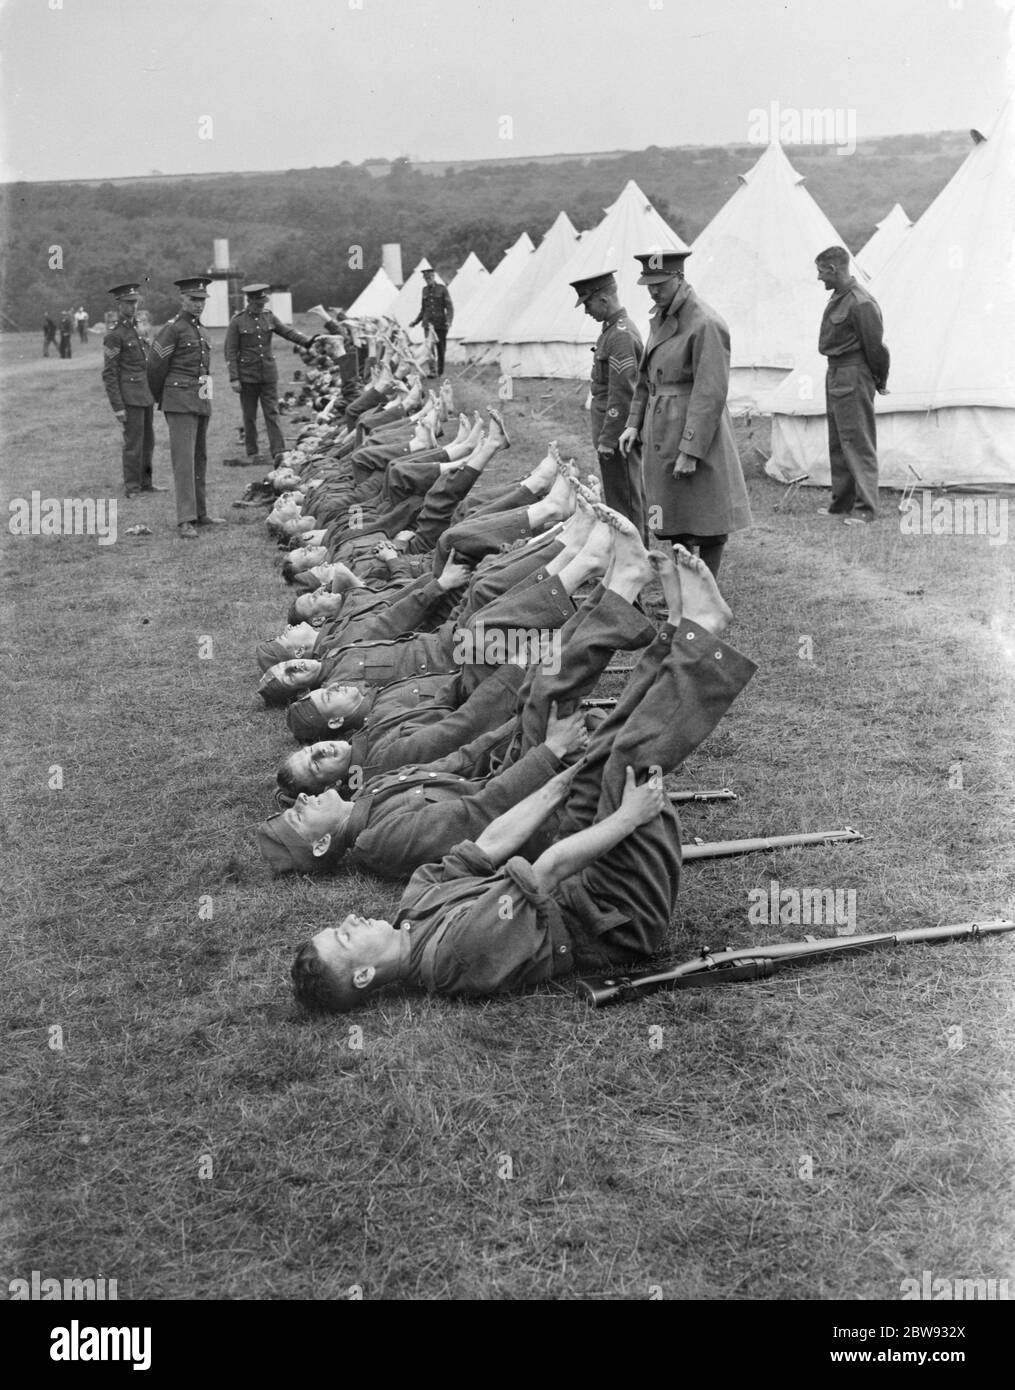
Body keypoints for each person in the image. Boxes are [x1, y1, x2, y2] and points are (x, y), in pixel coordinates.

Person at [290, 545, 757, 1011]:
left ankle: (679, 631)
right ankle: (701, 636)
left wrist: (565, 776)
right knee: (628, 762)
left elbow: (490, 841)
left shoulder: (413, 909)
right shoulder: (453, 956)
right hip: (614, 912)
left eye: (336, 926)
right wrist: (625, 818)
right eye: (345, 938)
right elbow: (546, 870)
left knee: (601, 752)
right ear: (365, 973)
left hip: (577, 880)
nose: (348, 920)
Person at [618, 251, 752, 578]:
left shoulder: (705, 322)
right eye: (648, 284)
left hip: (696, 428)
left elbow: (710, 392)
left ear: (679, 278)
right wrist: (634, 423)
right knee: (671, 512)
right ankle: (682, 582)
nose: (653, 291)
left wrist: (691, 449)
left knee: (707, 515)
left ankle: (705, 590)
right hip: (661, 426)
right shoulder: (661, 318)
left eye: (660, 284)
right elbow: (646, 378)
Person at [813, 246, 891, 526]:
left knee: (858, 441)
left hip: (853, 374)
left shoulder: (861, 302)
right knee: (838, 440)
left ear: (833, 269)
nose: (819, 278)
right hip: (835, 372)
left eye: (821, 271)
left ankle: (865, 509)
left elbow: (876, 347)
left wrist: (879, 380)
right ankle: (841, 504)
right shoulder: (839, 297)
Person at [148, 276, 227, 539]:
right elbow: (155, 367)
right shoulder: (173, 329)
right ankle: (185, 519)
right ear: (182, 299)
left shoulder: (202, 330)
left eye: (202, 300)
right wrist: (166, 399)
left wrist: (207, 401)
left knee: (199, 459)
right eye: (193, 299)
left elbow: (206, 370)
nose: (198, 305)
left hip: (199, 401)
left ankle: (200, 512)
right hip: (179, 402)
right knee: (184, 462)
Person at [571, 269, 646, 539]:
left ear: (603, 299)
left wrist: (609, 438)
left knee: (625, 496)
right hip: (610, 428)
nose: (586, 311)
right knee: (620, 493)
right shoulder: (611, 331)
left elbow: (623, 393)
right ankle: (629, 551)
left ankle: (635, 554)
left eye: (587, 303)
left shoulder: (621, 336)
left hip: (617, 433)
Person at [223, 282, 318, 466]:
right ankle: (252, 451)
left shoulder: (269, 317)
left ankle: (278, 450)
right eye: (259, 302)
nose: (262, 305)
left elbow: (288, 332)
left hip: (267, 374)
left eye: (263, 302)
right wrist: (234, 377)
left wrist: (308, 342)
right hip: (247, 376)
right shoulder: (237, 321)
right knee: (249, 415)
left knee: (272, 412)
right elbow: (230, 351)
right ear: (249, 301)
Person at [101, 283, 165, 498]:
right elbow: (109, 373)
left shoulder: (137, 331)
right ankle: (132, 486)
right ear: (119, 305)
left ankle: (146, 482)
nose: (133, 307)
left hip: (144, 394)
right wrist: (118, 407)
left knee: (148, 442)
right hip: (129, 397)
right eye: (128, 303)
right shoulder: (114, 335)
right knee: (133, 444)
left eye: (135, 302)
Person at [408, 268, 453, 377]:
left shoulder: (442, 289)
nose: (428, 280)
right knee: (429, 349)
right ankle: (432, 371)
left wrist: (448, 321)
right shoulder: (424, 290)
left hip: (441, 323)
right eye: (426, 278)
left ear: (434, 277)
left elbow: (449, 307)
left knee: (441, 348)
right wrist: (415, 321)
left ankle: (440, 371)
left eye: (430, 278)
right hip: (428, 324)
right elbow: (423, 309)